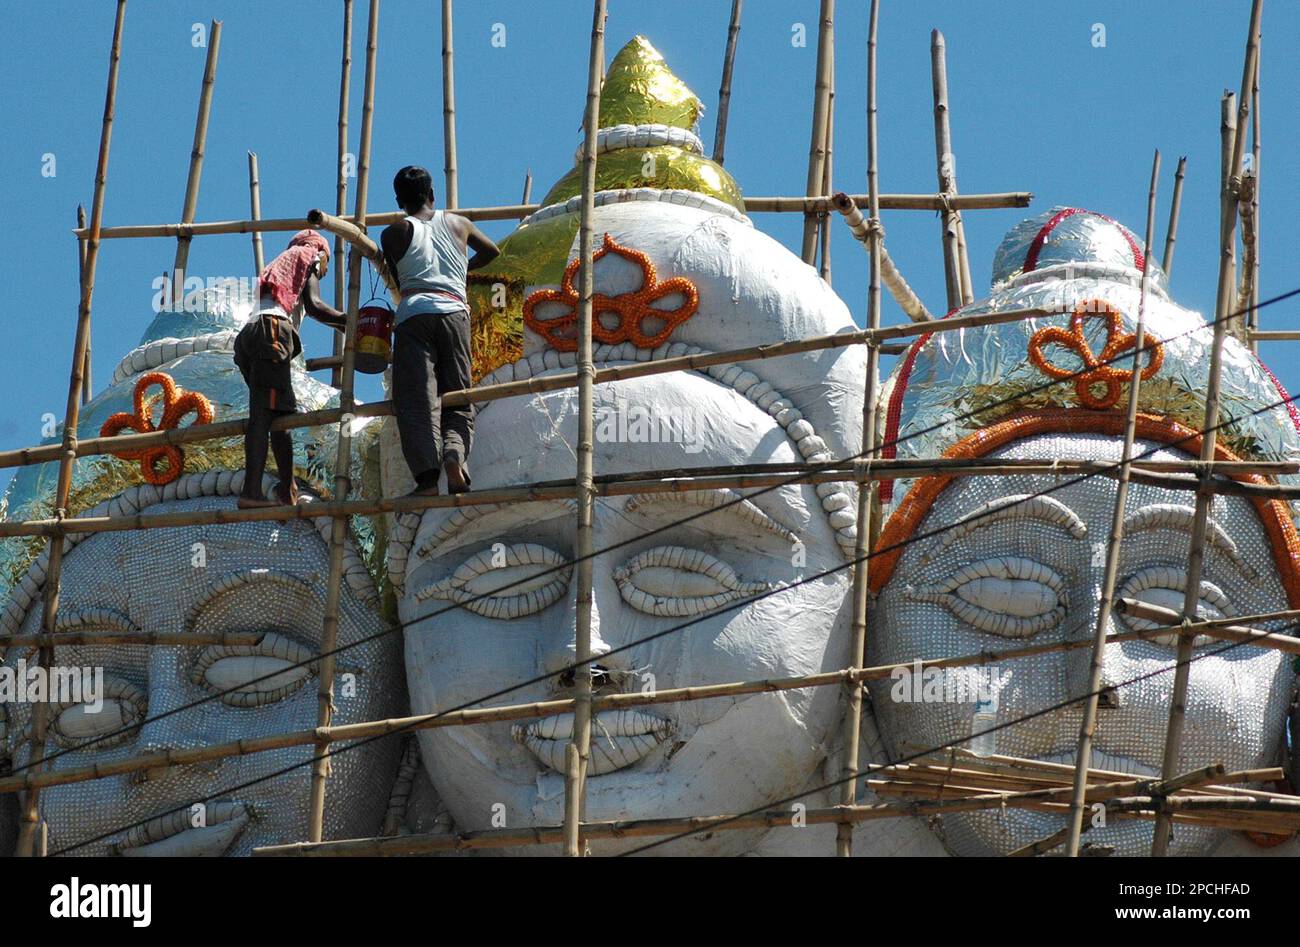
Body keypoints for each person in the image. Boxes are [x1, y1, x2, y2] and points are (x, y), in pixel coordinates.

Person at [381, 165, 499, 496]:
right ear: (432, 195)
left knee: (418, 399)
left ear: (399, 202)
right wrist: (462, 270)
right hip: (455, 314)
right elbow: (492, 251)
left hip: (415, 314)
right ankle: (455, 457)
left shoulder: (393, 234)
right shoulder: (459, 223)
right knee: (458, 397)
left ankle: (427, 479)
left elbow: (397, 276)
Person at [234, 229, 345, 508]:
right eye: (328, 264)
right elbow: (316, 306)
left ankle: (287, 487)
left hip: (252, 337)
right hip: (271, 333)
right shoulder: (310, 256)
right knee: (262, 416)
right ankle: (251, 491)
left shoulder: (283, 261)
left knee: (277, 415)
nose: (325, 270)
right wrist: (350, 320)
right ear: (321, 253)